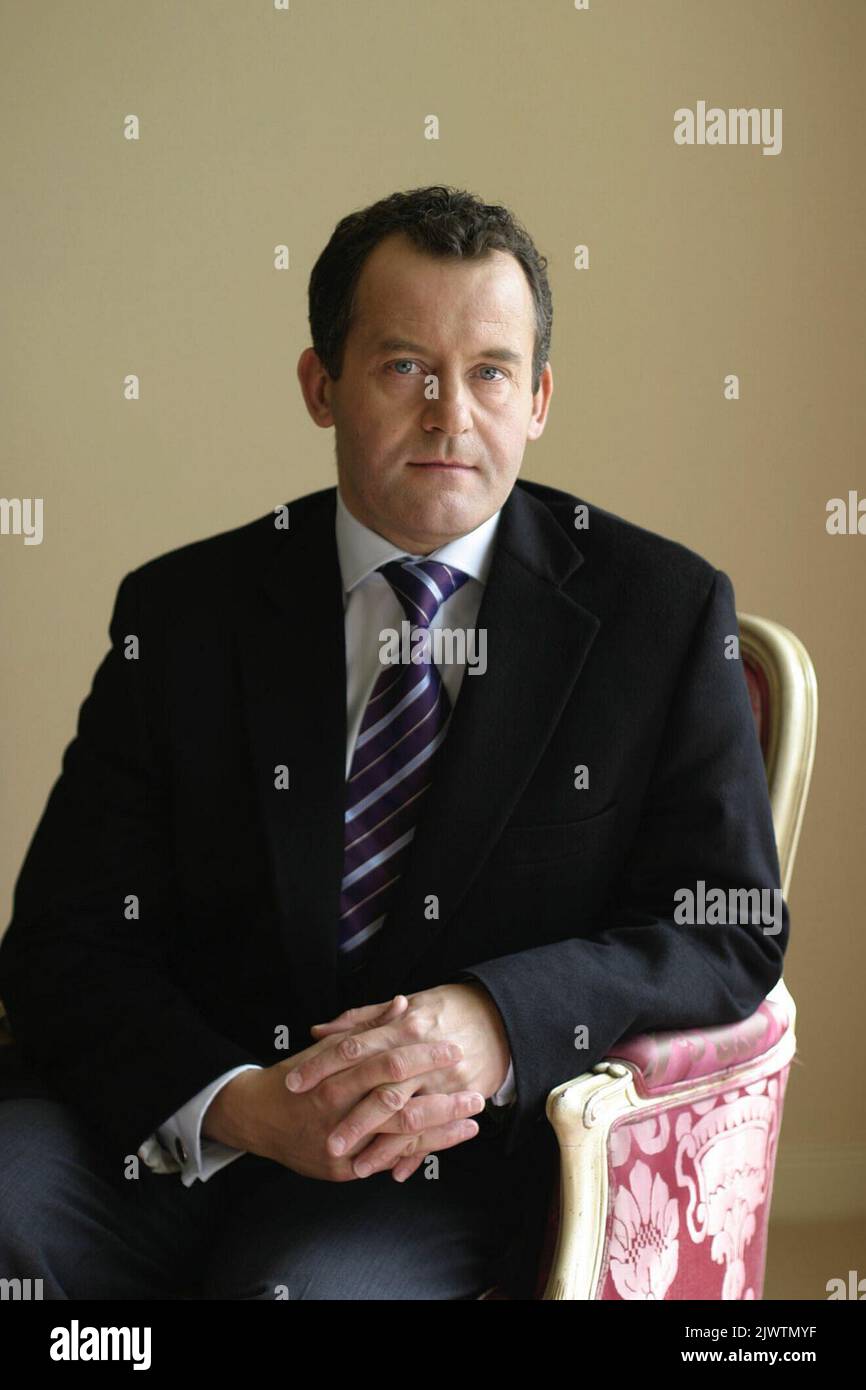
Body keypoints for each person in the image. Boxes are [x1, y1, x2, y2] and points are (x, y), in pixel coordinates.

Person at [0, 185, 788, 1299]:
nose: (449, 415)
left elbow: (727, 924)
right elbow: (62, 941)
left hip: (448, 1170)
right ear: (321, 386)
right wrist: (236, 1103)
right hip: (179, 1123)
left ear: (540, 397)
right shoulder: (183, 612)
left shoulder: (656, 614)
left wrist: (495, 1020)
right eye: (404, 366)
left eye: (489, 372)